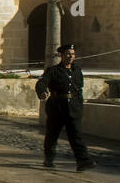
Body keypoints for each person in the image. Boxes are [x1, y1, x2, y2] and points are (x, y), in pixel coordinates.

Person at [36, 42, 94, 170]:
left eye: (72, 54)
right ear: (61, 55)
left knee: (76, 135)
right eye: (68, 54)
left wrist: (79, 106)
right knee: (52, 135)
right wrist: (42, 92)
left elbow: (79, 90)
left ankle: (83, 161)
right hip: (57, 107)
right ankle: (49, 158)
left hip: (73, 108)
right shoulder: (53, 71)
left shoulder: (77, 71)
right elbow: (42, 82)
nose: (70, 56)